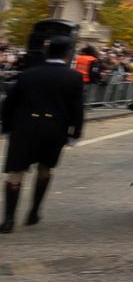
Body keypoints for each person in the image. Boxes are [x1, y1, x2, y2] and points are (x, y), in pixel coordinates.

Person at [2, 35, 87, 232]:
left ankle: (8, 219)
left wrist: (7, 127)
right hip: (53, 129)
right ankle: (33, 211)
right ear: (68, 54)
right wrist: (75, 133)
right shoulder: (73, 77)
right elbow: (77, 109)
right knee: (44, 170)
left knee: (15, 174)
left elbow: (9, 103)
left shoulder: (27, 74)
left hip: (24, 127)